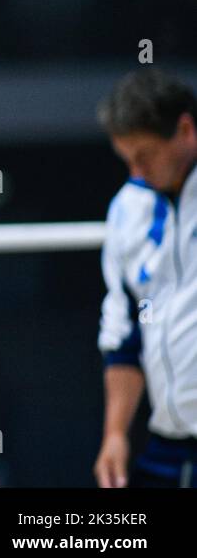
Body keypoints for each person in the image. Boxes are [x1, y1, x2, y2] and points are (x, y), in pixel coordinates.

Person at [92, 68, 197, 487]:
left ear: (185, 130)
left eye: (145, 154)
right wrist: (115, 434)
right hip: (170, 442)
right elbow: (125, 334)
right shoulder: (127, 209)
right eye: (127, 159)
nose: (136, 170)